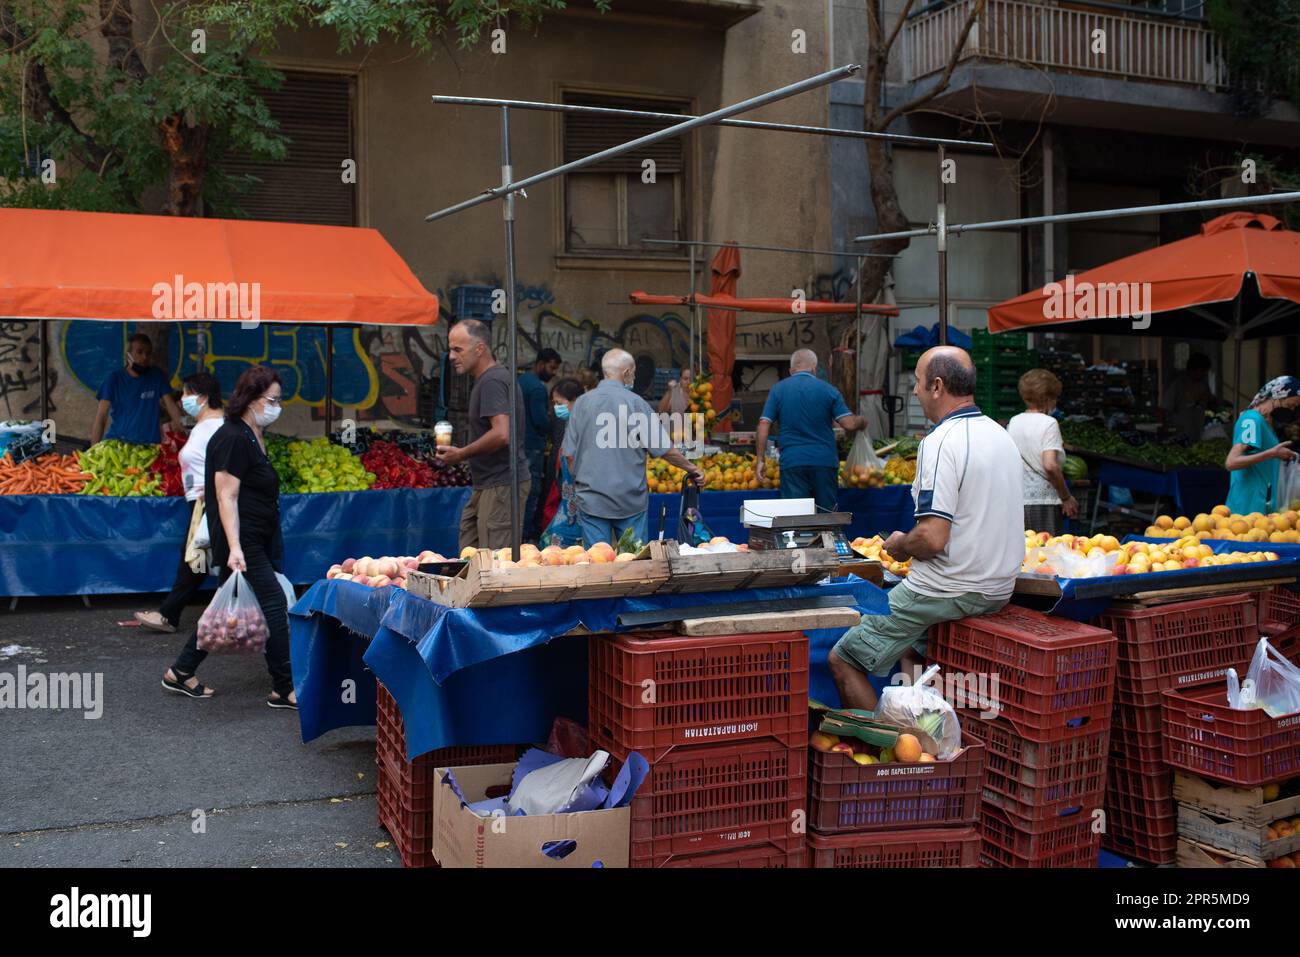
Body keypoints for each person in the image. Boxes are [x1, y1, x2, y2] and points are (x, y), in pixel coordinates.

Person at [828, 346, 1024, 711]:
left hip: (948, 589)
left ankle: (889, 754)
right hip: (998, 587)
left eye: (918, 383)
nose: (915, 392)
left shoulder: (940, 442)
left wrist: (901, 545)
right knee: (909, 650)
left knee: (842, 660)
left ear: (936, 386)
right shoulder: (1001, 435)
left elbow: (932, 538)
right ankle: (917, 728)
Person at [163, 366, 296, 708]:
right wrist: (236, 548)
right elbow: (226, 496)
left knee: (222, 606)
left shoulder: (252, 434)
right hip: (243, 539)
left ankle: (181, 671)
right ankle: (284, 686)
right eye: (272, 399)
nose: (276, 406)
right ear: (251, 399)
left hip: (254, 536)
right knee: (275, 605)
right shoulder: (233, 437)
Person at [563, 349, 704, 547]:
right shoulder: (637, 404)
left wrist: (582, 481)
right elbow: (664, 449)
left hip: (591, 499)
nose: (634, 377)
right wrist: (693, 469)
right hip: (630, 502)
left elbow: (569, 455)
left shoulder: (581, 404)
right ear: (627, 372)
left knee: (598, 563)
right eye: (634, 373)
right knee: (634, 563)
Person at [135, 372, 225, 633]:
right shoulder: (205, 425)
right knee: (197, 560)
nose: (182, 398)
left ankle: (169, 615)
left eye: (187, 393)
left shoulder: (216, 428)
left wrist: (213, 502)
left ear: (204, 397)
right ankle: (175, 614)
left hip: (209, 503)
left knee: (196, 559)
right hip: (201, 502)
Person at [435, 319, 529, 550]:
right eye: (450, 349)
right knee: (470, 554)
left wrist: (461, 454)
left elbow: (501, 434)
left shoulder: (493, 381)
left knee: (494, 563)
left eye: (458, 349)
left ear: (480, 348)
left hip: (501, 484)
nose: (451, 356)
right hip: (488, 484)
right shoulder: (488, 380)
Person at [755, 349, 866, 513]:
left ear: (791, 370)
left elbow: (764, 424)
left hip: (793, 463)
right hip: (824, 461)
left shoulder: (778, 390)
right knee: (826, 516)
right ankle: (827, 538)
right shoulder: (829, 390)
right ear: (814, 369)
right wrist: (862, 421)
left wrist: (760, 460)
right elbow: (849, 424)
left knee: (795, 517)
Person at [1007, 368, 1078, 535]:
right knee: (1046, 552)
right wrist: (1066, 497)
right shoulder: (1049, 424)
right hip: (1044, 502)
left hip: (1018, 500)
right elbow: (1050, 465)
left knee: (1025, 551)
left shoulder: (1014, 422)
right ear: (1048, 398)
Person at [1225, 376, 1300, 515]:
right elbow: (1231, 462)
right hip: (1247, 507)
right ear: (1279, 395)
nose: (1291, 410)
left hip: (1261, 506)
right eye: (1290, 405)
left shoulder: (1265, 423)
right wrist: (1272, 454)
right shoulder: (1252, 420)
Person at [91, 333, 184, 445]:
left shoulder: (157, 376)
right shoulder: (114, 379)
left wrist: (185, 430)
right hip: (119, 444)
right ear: (128, 355)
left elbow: (172, 407)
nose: (144, 357)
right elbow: (101, 416)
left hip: (150, 446)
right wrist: (93, 450)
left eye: (148, 353)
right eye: (139, 352)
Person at [520, 348, 562, 539]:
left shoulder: (521, 381)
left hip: (520, 445)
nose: (553, 373)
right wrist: (552, 420)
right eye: (551, 367)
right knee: (531, 492)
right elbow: (541, 421)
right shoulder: (537, 388)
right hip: (532, 448)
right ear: (541, 363)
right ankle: (527, 536)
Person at [538, 378, 586, 545]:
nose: (555, 408)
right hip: (568, 503)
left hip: (582, 503)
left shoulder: (584, 426)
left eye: (559, 403)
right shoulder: (569, 424)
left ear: (574, 401)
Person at [1160, 352, 1217, 441]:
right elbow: (1165, 407)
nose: (1204, 374)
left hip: (1197, 431)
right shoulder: (1178, 384)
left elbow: (1209, 403)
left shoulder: (1203, 384)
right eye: (1202, 371)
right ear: (1194, 369)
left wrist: (1210, 400)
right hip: (1180, 432)